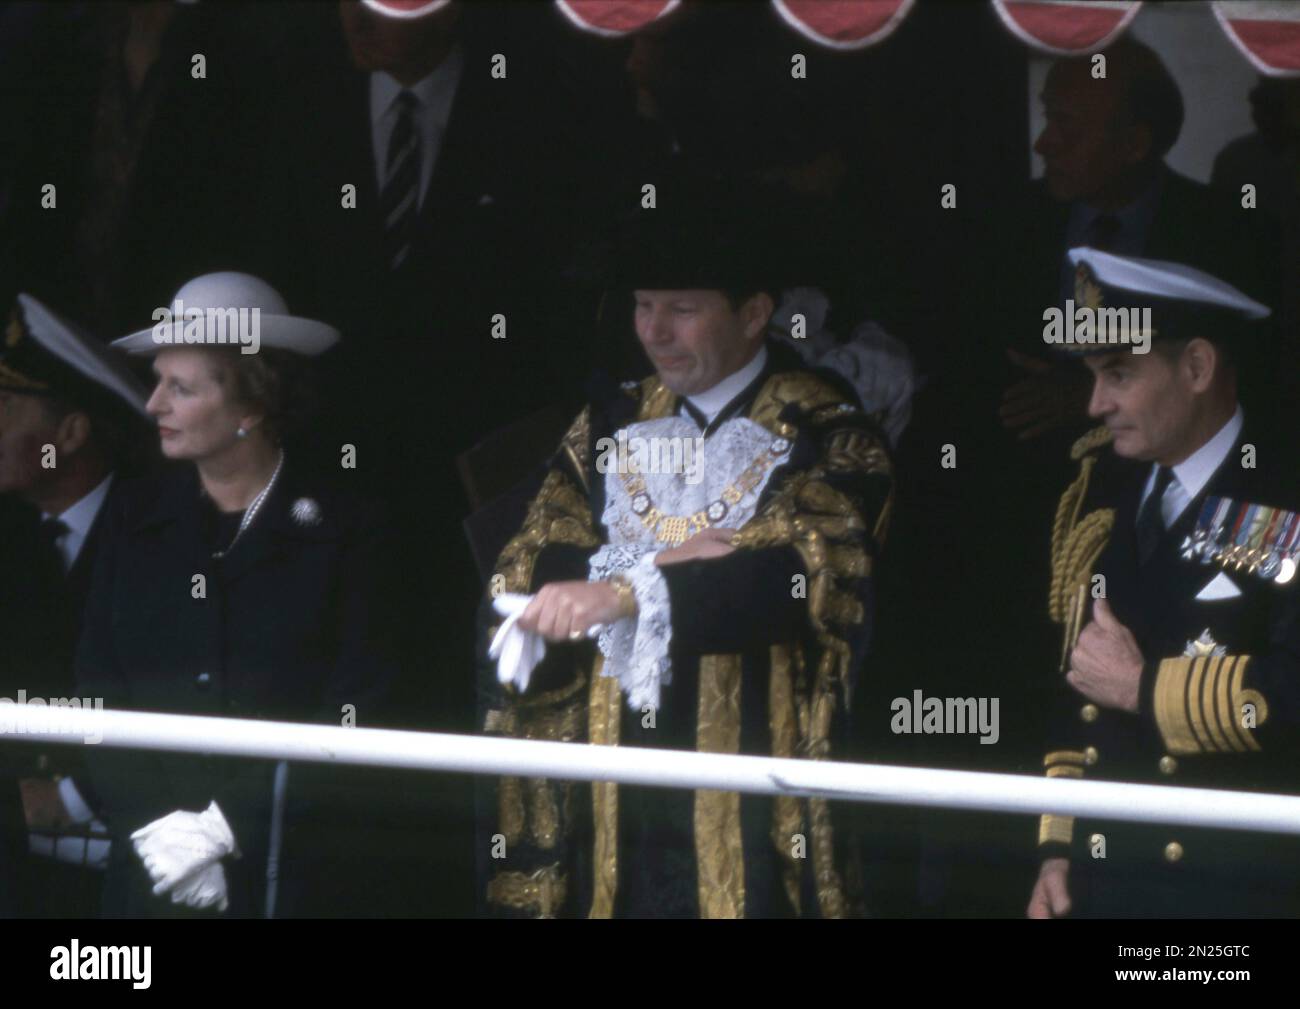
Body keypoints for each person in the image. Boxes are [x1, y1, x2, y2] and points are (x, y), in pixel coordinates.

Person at [478, 192, 894, 917]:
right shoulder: (610, 418)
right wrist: (663, 566)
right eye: (644, 306)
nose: (656, 333)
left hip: (758, 775)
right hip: (612, 781)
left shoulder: (823, 427)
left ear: (755, 312)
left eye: (683, 309)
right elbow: (532, 557)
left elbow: (794, 573)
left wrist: (621, 589)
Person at [75, 272, 403, 917]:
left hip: (290, 868)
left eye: (182, 388)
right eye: (158, 381)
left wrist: (225, 829)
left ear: (253, 403)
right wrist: (159, 830)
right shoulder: (134, 517)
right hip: (149, 870)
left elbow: (360, 699)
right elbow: (98, 685)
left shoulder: (348, 529)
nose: (153, 406)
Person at [1027, 248, 1300, 918]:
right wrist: (1056, 848)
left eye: (1117, 372)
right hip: (1102, 872)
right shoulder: (1099, 483)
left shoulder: (1283, 490)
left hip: (1232, 888)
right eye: (1092, 376)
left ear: (1198, 366)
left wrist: (1140, 688)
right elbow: (1065, 677)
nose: (1095, 403)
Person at [0, 291, 152, 917]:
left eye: (5, 407)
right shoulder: (12, 535)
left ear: (69, 432)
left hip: (131, 851)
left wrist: (70, 796)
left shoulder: (164, 537)